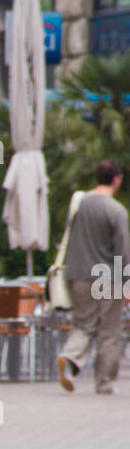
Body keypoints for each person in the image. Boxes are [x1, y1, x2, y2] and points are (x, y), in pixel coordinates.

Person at [58, 160, 130, 395]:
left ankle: (69, 357)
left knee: (84, 325)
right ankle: (104, 382)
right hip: (107, 277)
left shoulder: (79, 204)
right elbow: (123, 250)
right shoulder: (116, 210)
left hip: (77, 273)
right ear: (116, 179)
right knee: (109, 331)